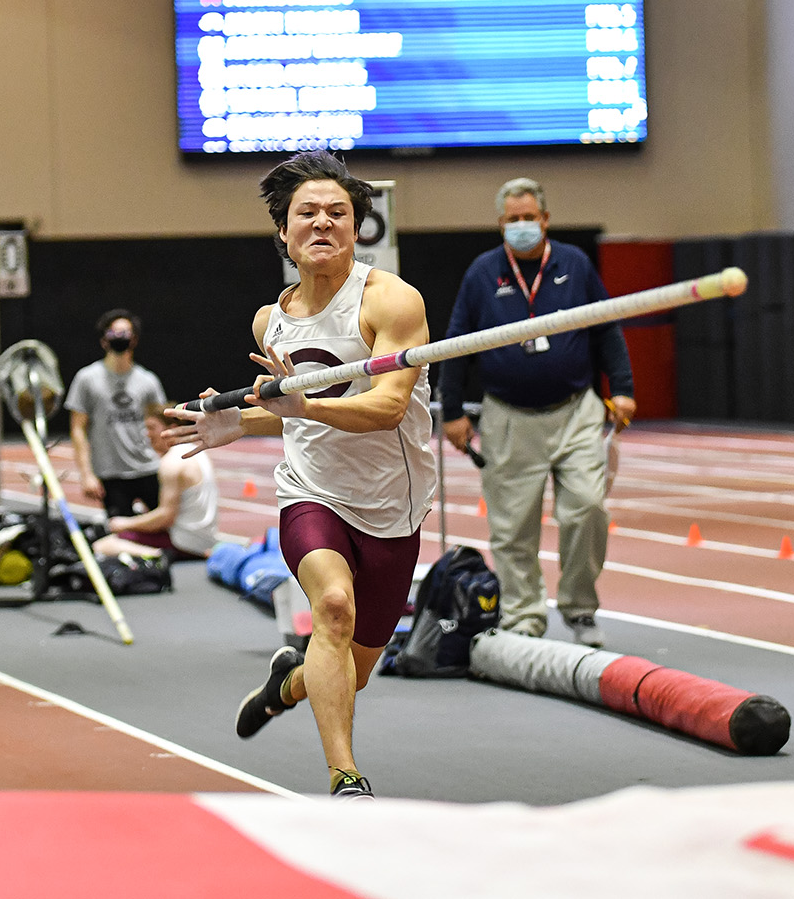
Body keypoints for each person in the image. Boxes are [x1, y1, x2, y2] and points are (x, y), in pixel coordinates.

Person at [164, 150, 437, 800]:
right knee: (332, 610)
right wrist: (242, 424)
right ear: (282, 233)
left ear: (358, 227)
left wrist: (298, 407)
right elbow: (296, 422)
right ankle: (346, 776)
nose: (322, 223)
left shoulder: (390, 302)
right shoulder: (271, 318)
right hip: (312, 493)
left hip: (392, 506)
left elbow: (386, 408)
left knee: (355, 669)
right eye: (306, 214)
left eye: (337, 213)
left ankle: (288, 683)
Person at [437, 177, 634, 649]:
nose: (522, 226)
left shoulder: (575, 264)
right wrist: (451, 412)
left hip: (576, 412)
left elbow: (606, 328)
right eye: (513, 220)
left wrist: (623, 389)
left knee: (587, 507)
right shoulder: (483, 272)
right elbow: (457, 343)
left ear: (545, 220)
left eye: (529, 218)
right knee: (512, 528)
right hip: (507, 416)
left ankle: (580, 610)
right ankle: (524, 616)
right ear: (500, 224)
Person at [65, 309, 167, 520]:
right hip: (110, 473)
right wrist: (86, 474)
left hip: (148, 467)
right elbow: (77, 428)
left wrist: (169, 464)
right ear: (104, 340)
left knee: (165, 528)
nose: (120, 338)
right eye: (114, 333)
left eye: (125, 333)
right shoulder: (87, 379)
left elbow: (162, 425)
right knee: (120, 532)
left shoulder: (148, 381)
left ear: (134, 340)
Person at [91, 407, 218, 560]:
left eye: (152, 428)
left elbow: (165, 517)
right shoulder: (197, 452)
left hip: (183, 543)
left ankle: (160, 556)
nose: (146, 433)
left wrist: (125, 523)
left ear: (172, 429)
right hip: (206, 539)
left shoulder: (171, 462)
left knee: (102, 546)